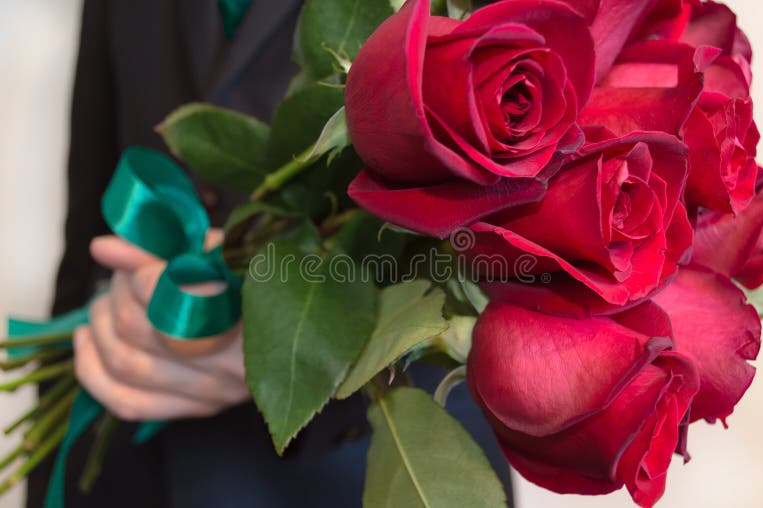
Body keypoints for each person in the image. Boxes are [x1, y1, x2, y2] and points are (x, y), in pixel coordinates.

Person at [28, 1, 513, 507]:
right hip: (123, 457)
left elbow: (526, 236)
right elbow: (89, 222)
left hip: (359, 469)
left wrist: (293, 335)